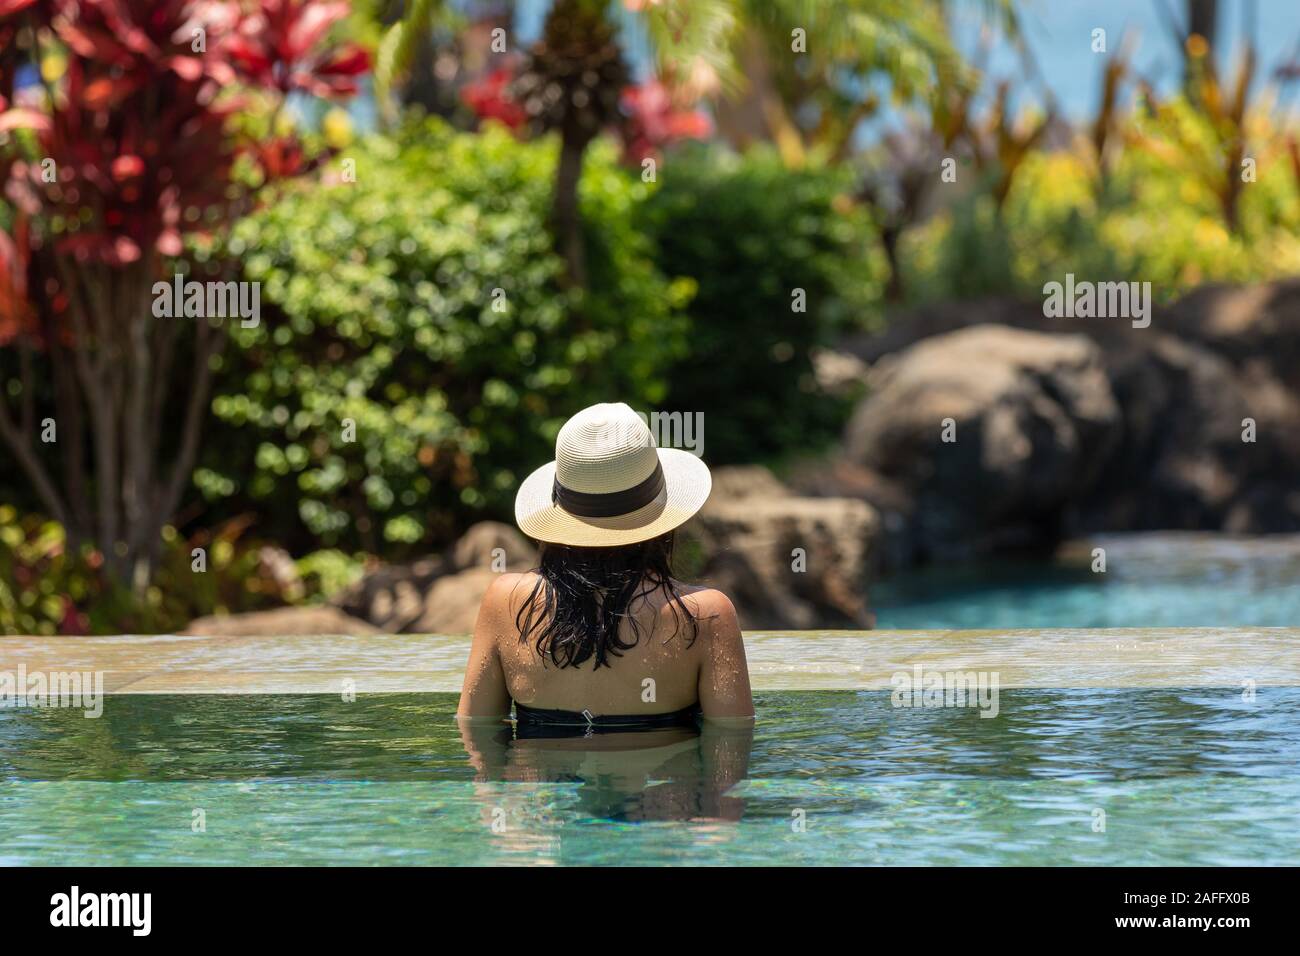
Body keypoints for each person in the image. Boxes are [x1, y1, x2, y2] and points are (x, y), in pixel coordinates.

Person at [457, 401, 754, 737]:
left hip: (540, 786)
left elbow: (476, 734)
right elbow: (732, 747)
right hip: (664, 787)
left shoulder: (506, 602)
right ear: (661, 513)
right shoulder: (705, 616)